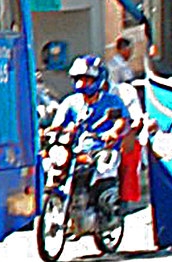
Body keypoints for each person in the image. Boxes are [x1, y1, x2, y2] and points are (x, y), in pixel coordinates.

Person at [49, 54, 142, 220]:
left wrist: (112, 132)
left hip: (102, 147)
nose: (81, 84)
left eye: (87, 80)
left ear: (98, 79)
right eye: (78, 79)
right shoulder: (70, 102)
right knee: (53, 163)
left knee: (104, 169)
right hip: (76, 149)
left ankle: (104, 207)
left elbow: (121, 120)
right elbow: (58, 125)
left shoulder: (112, 100)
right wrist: (49, 132)